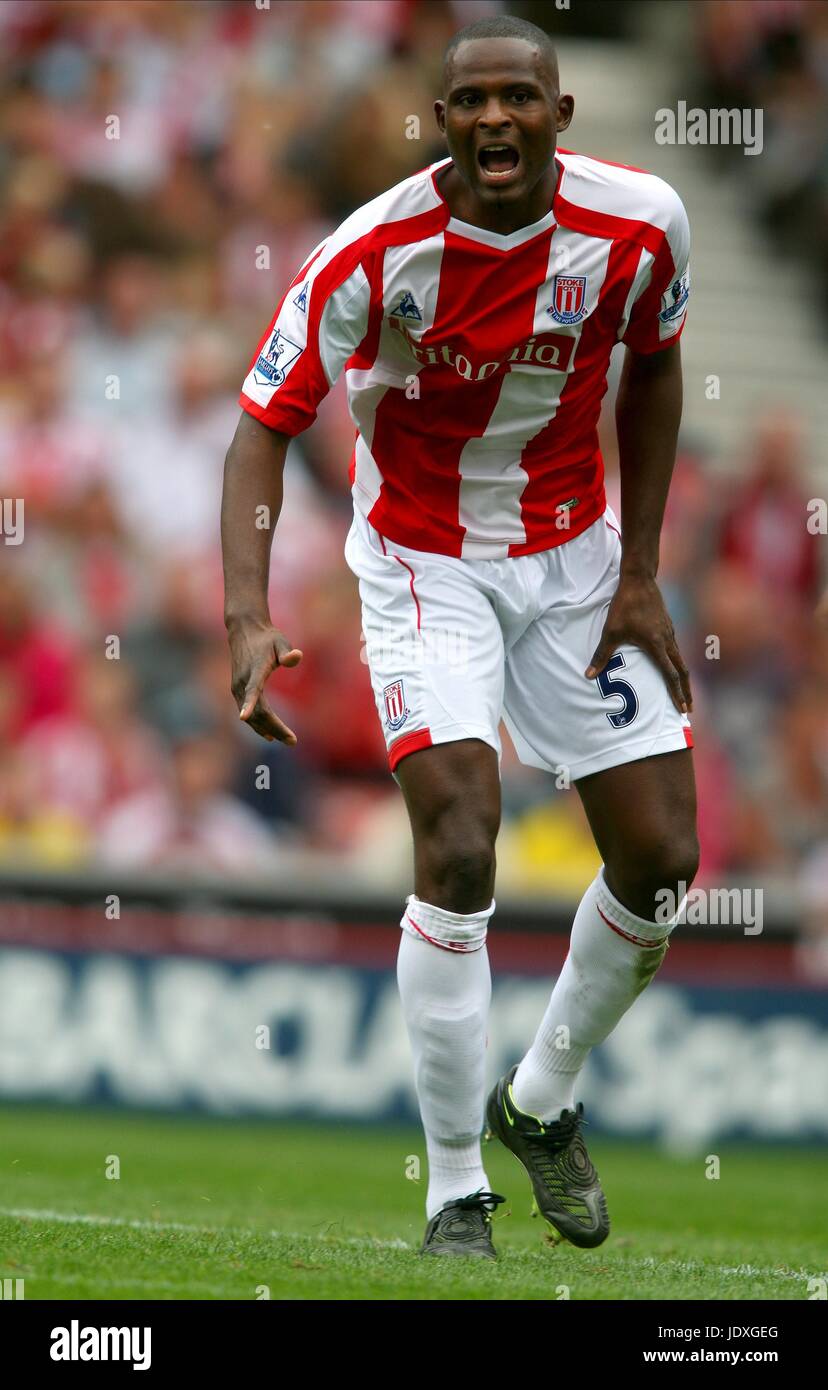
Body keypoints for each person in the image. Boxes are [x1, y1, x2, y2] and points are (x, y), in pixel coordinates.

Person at [221, 15, 699, 1260]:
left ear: (562, 113)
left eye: (517, 99)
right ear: (439, 122)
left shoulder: (643, 223)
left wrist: (642, 572)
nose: (494, 118)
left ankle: (538, 1103)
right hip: (426, 562)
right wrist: (248, 615)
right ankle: (451, 1196)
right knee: (458, 842)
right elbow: (263, 422)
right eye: (469, 101)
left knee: (662, 861)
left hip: (578, 556)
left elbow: (655, 366)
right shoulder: (372, 251)